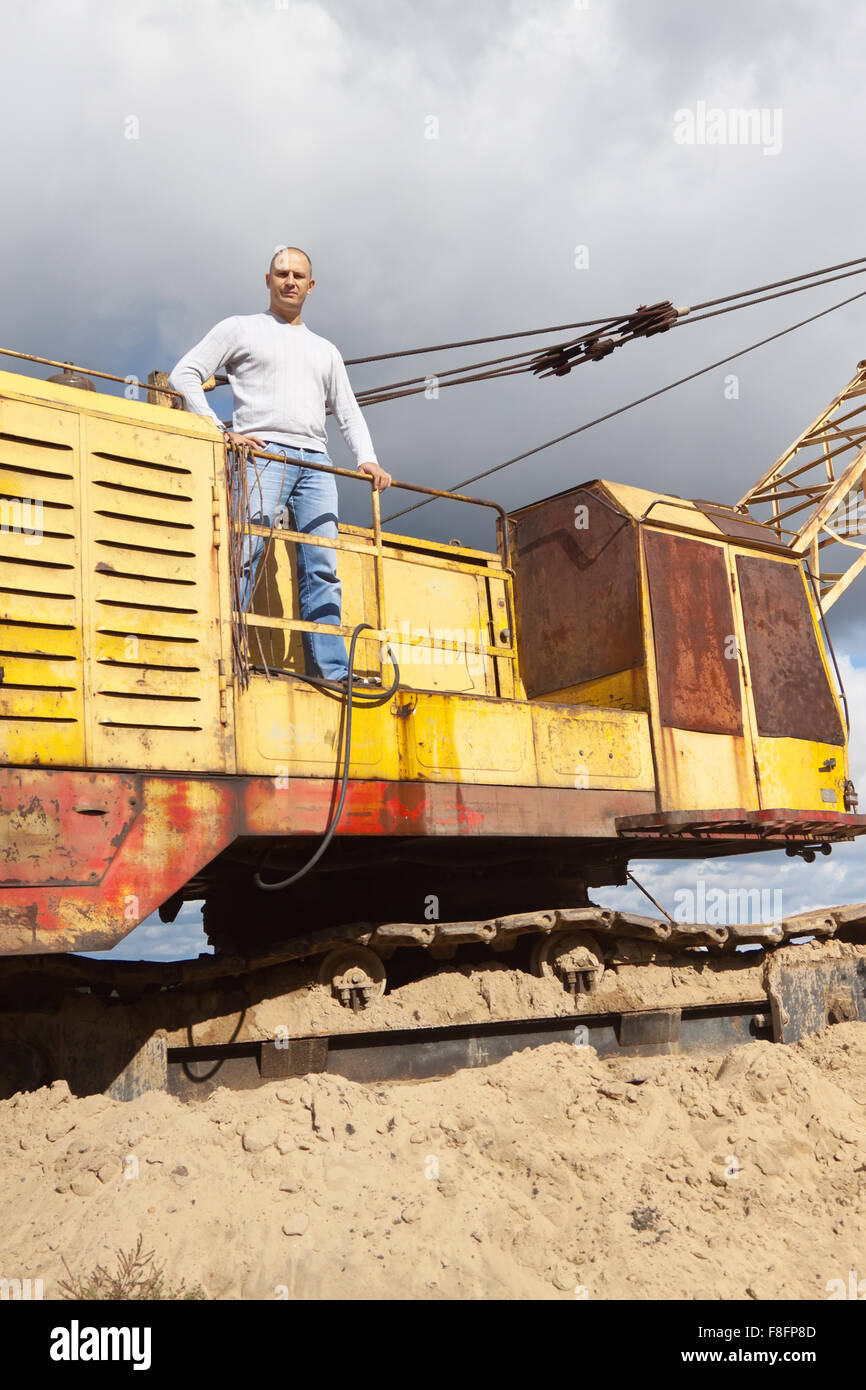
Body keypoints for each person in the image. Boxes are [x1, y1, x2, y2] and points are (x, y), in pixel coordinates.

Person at [168, 245, 391, 687]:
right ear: (267, 280)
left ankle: (332, 670)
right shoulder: (241, 329)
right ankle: (223, 655)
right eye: (281, 273)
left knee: (322, 564)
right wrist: (220, 430)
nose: (289, 280)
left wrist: (367, 458)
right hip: (263, 455)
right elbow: (184, 375)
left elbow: (347, 411)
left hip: (318, 466)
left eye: (298, 275)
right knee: (244, 554)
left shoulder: (325, 350)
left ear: (311, 286)